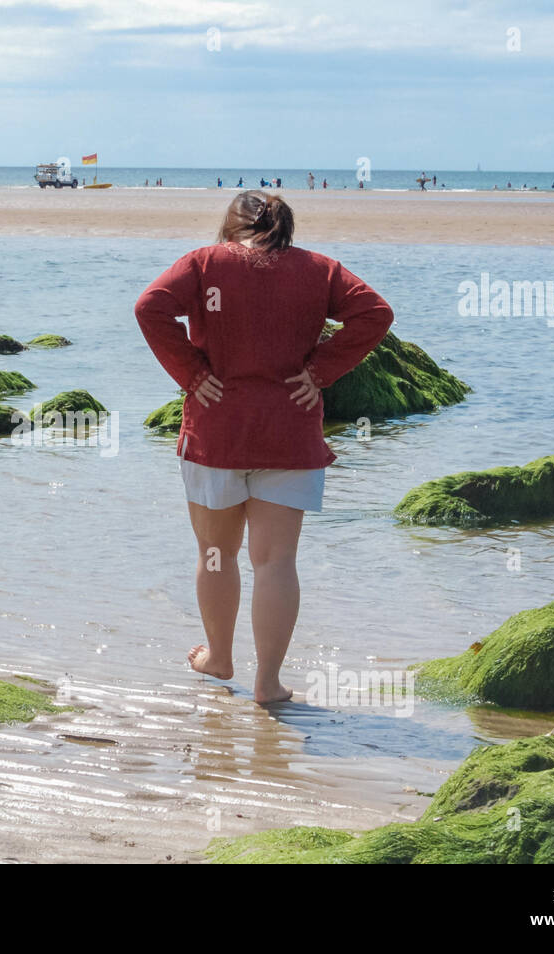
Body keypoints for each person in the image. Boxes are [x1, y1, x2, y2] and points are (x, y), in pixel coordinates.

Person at [133, 190, 393, 704]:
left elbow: (150, 307)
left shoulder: (205, 263)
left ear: (229, 227)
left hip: (217, 429)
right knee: (275, 562)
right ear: (288, 230)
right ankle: (268, 683)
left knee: (215, 554)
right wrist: (320, 371)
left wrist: (191, 372)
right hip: (289, 432)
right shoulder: (318, 270)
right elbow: (374, 313)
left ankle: (219, 656)